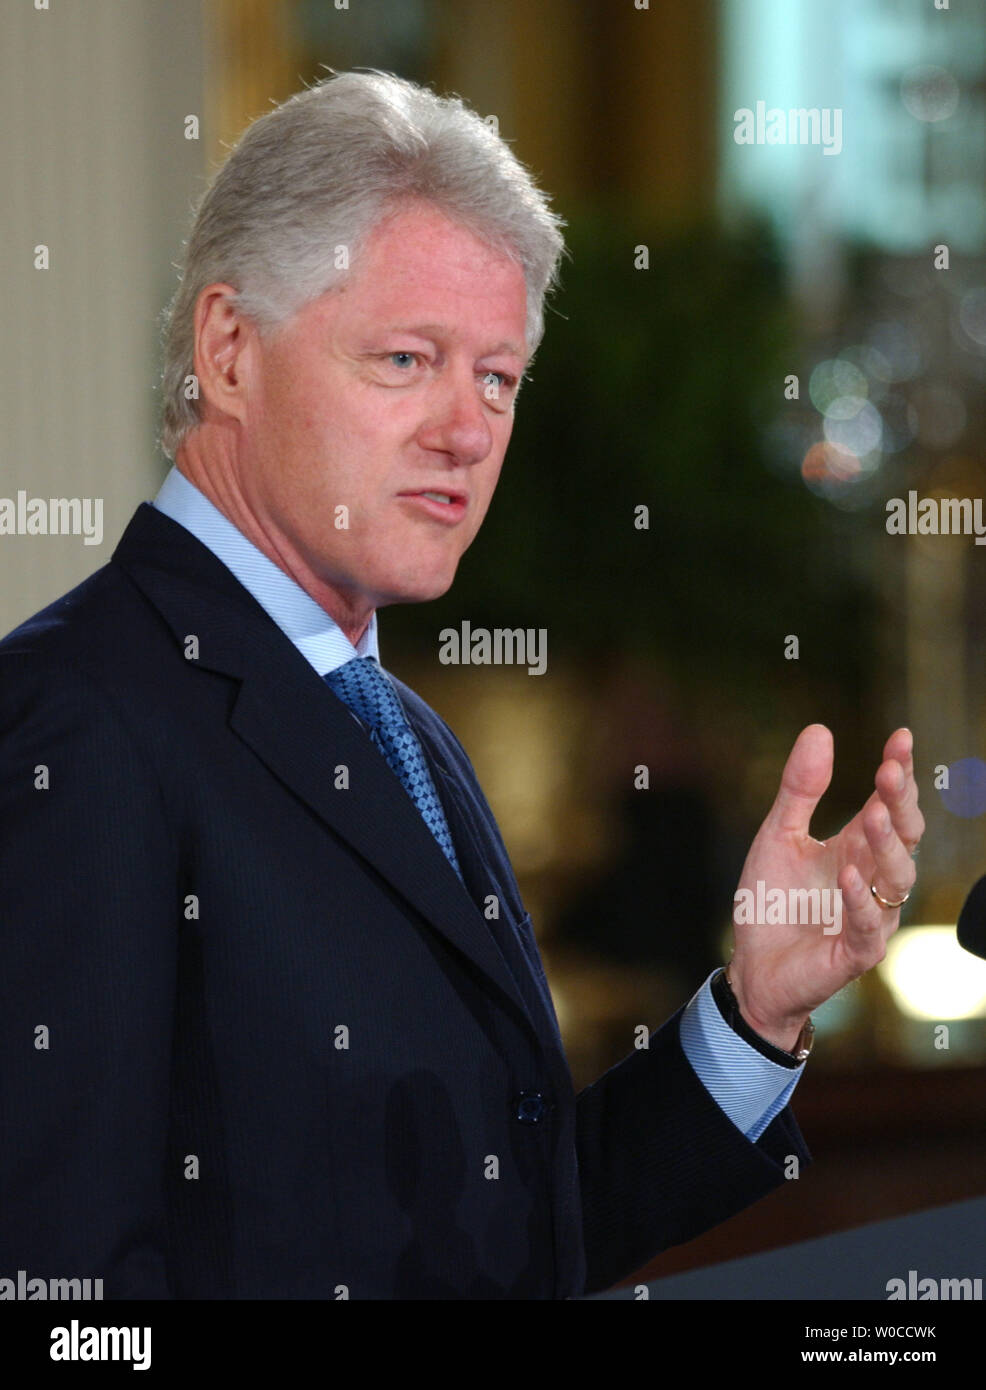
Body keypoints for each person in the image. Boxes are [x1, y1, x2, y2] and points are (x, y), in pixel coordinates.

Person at [0, 70, 924, 1300]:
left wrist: (752, 1017)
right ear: (227, 351)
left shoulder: (401, 731)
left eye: (495, 378)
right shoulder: (78, 715)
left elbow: (507, 1239)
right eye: (404, 358)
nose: (467, 428)